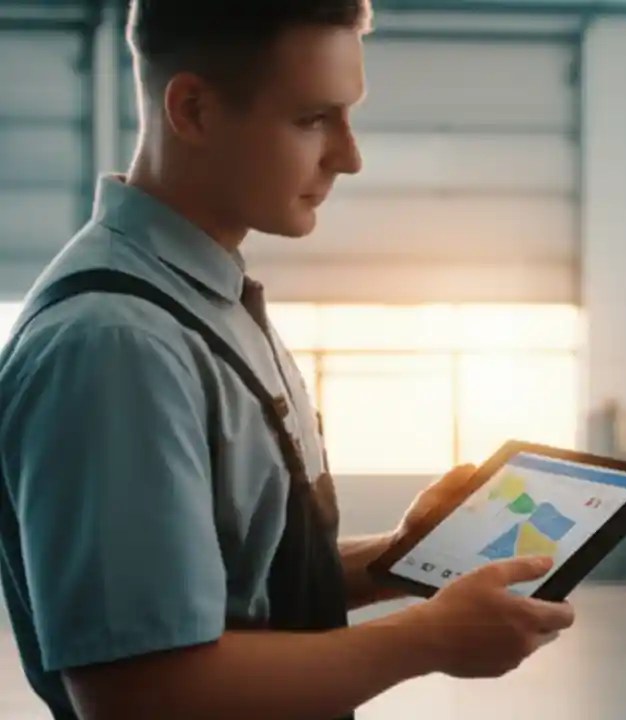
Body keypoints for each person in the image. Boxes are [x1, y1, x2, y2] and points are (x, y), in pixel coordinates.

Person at [0, 1, 574, 718]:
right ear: (195, 110)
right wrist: (426, 640)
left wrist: (398, 556)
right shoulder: (118, 344)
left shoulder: (208, 301)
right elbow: (138, 694)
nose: (350, 157)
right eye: (312, 119)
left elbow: (234, 586)